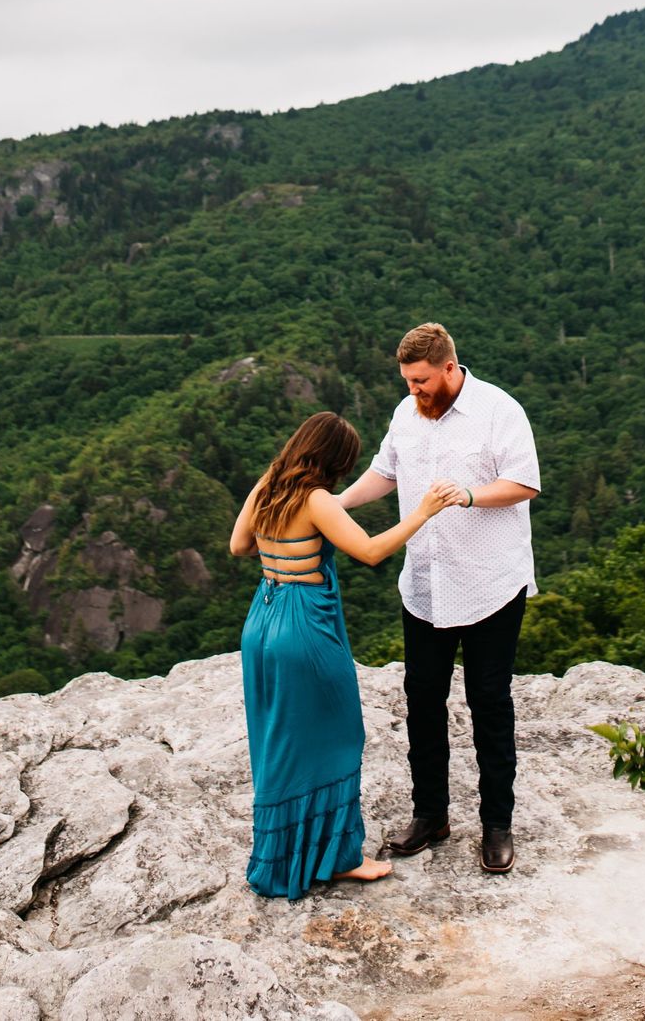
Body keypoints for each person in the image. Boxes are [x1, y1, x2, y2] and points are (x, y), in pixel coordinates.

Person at [229, 409, 457, 899]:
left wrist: (277, 535)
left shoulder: (269, 487)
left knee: (279, 741)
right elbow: (370, 552)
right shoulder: (316, 500)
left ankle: (283, 857)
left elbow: (238, 545)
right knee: (339, 734)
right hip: (304, 626)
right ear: (331, 460)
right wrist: (423, 512)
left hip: (262, 621)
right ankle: (338, 858)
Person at [338, 322, 540, 873]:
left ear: (450, 368)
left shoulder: (500, 410)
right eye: (407, 381)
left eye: (422, 380)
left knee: (489, 703)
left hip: (490, 583)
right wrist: (334, 507)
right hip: (425, 583)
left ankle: (497, 825)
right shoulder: (407, 414)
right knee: (422, 700)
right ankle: (431, 815)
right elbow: (384, 473)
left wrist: (470, 495)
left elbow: (525, 483)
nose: (414, 391)